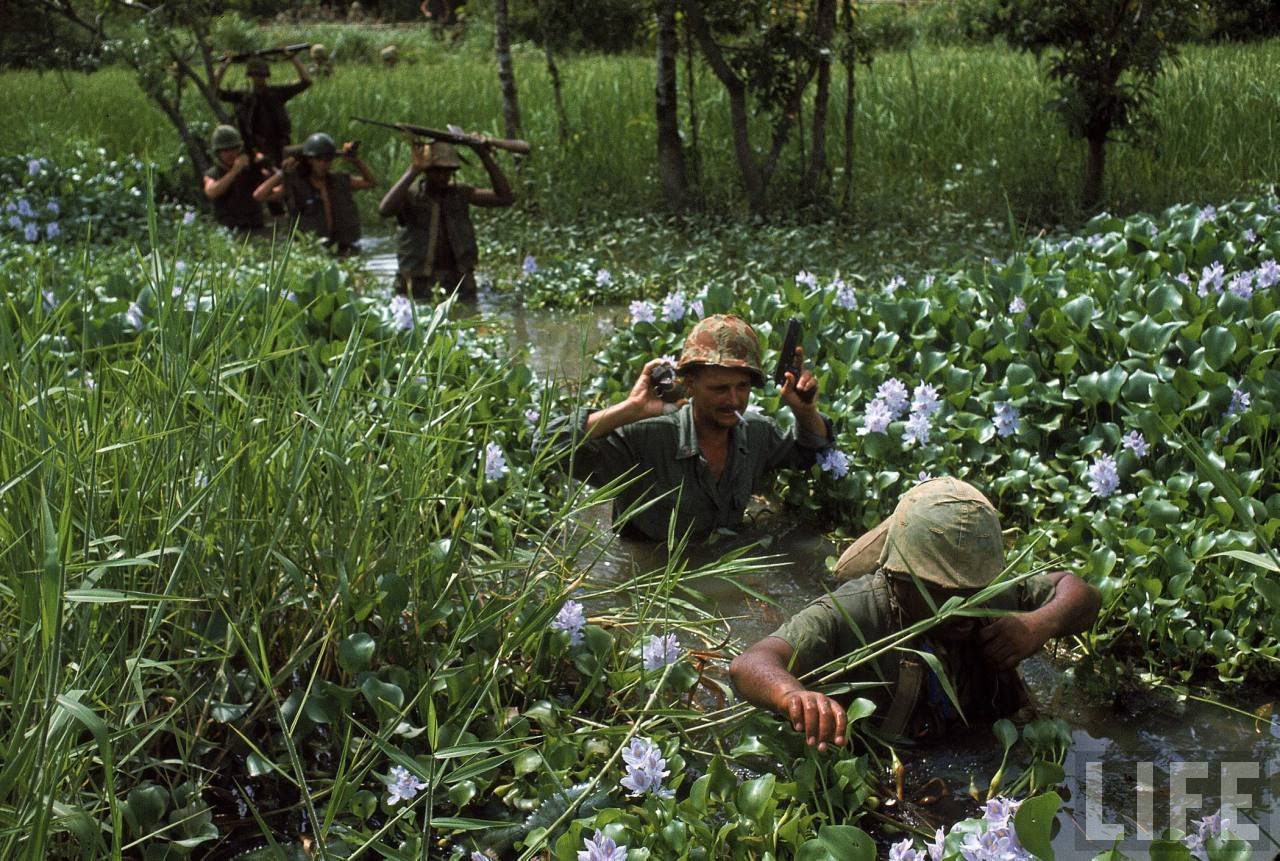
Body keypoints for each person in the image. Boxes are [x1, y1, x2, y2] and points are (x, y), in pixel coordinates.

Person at [729, 477, 1101, 750]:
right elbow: (751, 663)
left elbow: (1081, 594)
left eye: (973, 594)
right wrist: (793, 696)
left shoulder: (992, 595)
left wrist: (1038, 624)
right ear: (897, 577)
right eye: (938, 593)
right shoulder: (854, 610)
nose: (963, 608)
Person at [538, 314, 832, 543]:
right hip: (649, 572)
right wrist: (630, 409)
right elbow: (548, 449)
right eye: (719, 389)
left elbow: (812, 453)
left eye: (742, 387)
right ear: (690, 385)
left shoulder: (756, 433)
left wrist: (804, 410)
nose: (733, 400)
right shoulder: (647, 439)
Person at [378, 140, 514, 297]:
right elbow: (384, 210)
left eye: (447, 171)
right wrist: (413, 169)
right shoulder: (410, 195)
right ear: (426, 171)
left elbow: (505, 198)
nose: (442, 176)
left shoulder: (461, 193)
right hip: (418, 282)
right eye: (437, 171)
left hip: (458, 280)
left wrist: (484, 155)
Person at [253, 132, 378, 255]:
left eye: (328, 159)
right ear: (310, 160)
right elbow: (259, 195)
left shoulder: (340, 180)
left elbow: (370, 182)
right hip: (311, 250)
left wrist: (356, 161)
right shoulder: (296, 185)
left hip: (343, 245)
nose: (324, 164)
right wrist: (281, 173)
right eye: (319, 159)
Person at [214, 50, 312, 167]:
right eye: (255, 74)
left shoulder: (277, 93)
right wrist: (224, 66)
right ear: (251, 76)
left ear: (266, 75)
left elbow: (306, 81)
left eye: (261, 74)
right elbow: (215, 91)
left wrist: (292, 57)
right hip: (252, 149)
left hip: (278, 147)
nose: (259, 77)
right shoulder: (243, 96)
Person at [202, 125, 271, 232]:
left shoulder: (249, 168)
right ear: (218, 152)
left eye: (234, 149)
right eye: (225, 150)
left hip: (256, 226)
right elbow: (211, 192)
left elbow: (270, 185)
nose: (230, 154)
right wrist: (235, 170)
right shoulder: (213, 173)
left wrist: (261, 164)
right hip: (229, 230)